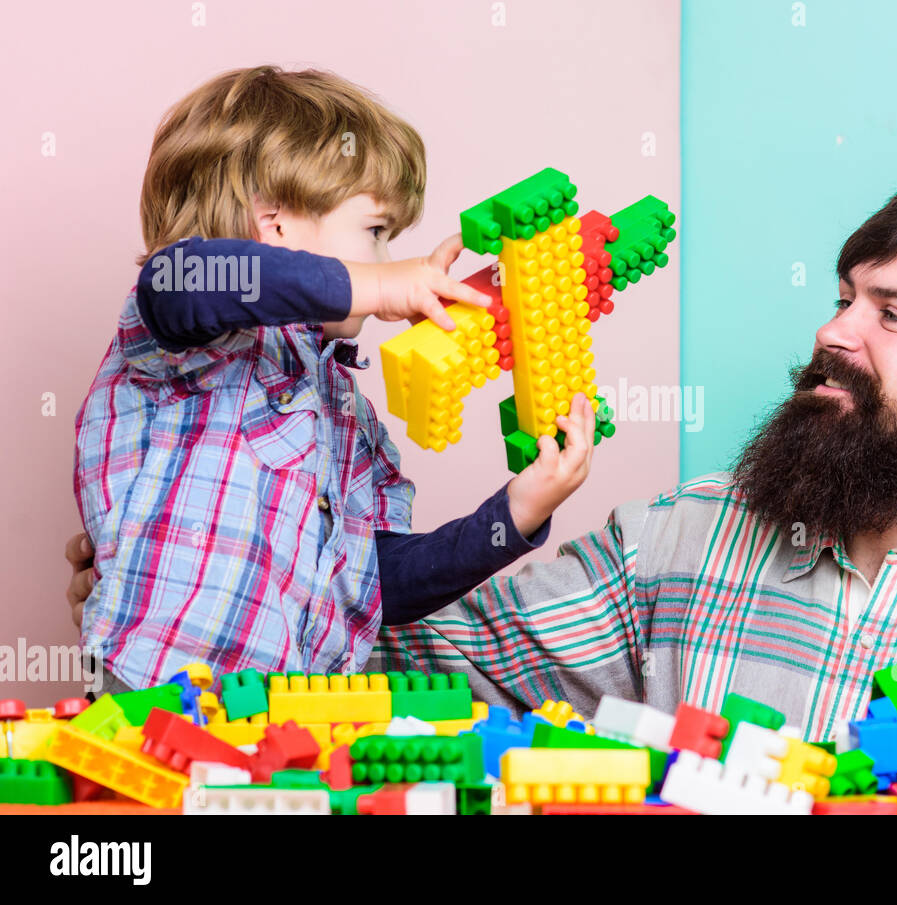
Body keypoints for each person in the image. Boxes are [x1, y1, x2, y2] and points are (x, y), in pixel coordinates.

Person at [68, 178, 897, 738]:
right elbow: (402, 659)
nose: (832, 331)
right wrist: (230, 550)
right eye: (840, 298)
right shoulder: (694, 533)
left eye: (889, 313)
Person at [70, 66, 596, 694]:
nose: (388, 257)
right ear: (275, 226)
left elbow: (373, 586)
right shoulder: (193, 341)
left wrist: (513, 515)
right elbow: (181, 280)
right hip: (155, 694)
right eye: (376, 232)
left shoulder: (350, 420)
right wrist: (374, 284)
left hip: (292, 724)